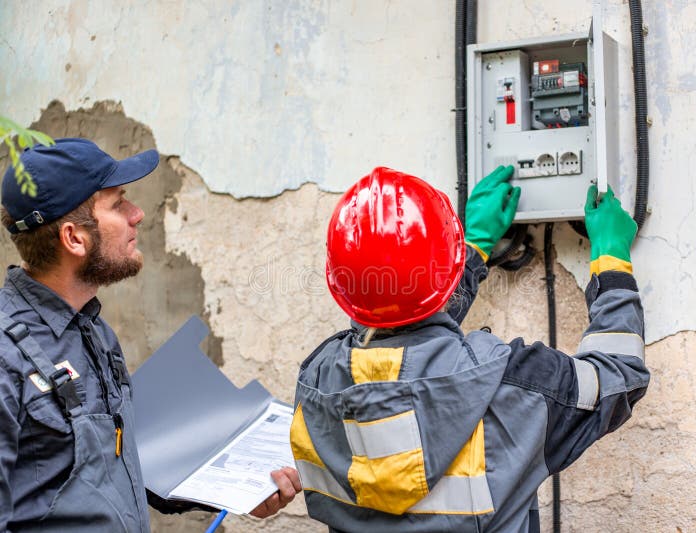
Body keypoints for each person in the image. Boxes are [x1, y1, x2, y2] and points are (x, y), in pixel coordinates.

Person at [290, 166, 649, 532]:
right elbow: (619, 375)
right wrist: (611, 257)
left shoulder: (316, 382)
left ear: (340, 283)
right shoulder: (513, 384)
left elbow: (410, 348)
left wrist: (473, 250)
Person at [0, 138, 300, 531]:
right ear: (74, 238)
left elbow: (117, 468)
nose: (137, 214)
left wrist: (236, 491)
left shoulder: (95, 333)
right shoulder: (8, 354)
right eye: (118, 203)